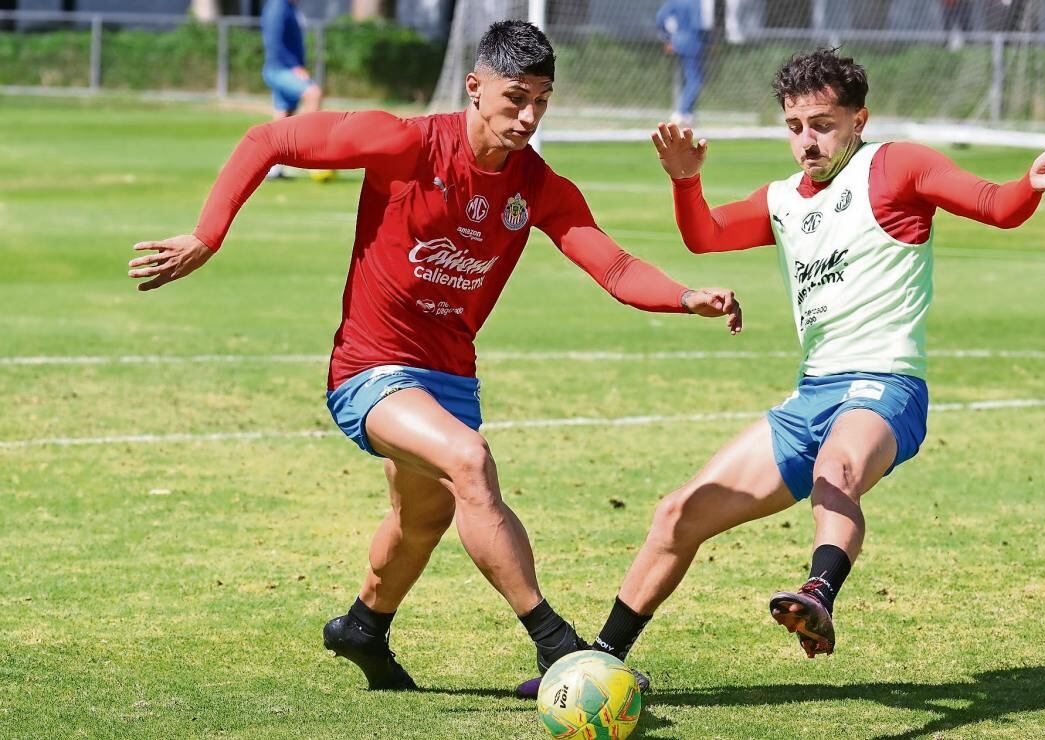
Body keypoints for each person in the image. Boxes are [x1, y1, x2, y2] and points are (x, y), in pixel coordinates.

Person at [127, 20, 741, 694]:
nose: (528, 116)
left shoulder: (539, 186)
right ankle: (558, 648)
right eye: (514, 98)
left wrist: (686, 297)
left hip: (449, 377)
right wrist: (208, 235)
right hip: (370, 369)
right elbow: (268, 139)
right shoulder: (406, 143)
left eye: (541, 100)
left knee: (421, 519)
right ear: (474, 88)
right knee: (469, 462)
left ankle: (363, 626)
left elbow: (616, 269)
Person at [584, 48, 1045, 669]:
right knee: (679, 513)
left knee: (834, 469)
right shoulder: (783, 199)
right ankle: (600, 659)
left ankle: (818, 592)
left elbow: (996, 205)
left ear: (858, 120)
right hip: (813, 393)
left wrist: (1030, 183)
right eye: (795, 126)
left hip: (886, 385)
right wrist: (685, 179)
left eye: (822, 125)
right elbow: (704, 235)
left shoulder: (896, 166)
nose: (807, 141)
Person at [260, 0, 331, 180]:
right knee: (313, 94)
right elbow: (274, 41)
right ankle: (313, 155)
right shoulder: (277, 6)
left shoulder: (289, 7)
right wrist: (294, 66)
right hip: (279, 69)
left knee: (283, 117)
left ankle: (273, 168)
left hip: (285, 68)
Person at [656, 0, 710, 127]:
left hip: (677, 41)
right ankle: (682, 111)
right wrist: (708, 41)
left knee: (687, 77)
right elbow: (698, 24)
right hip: (692, 41)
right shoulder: (695, 2)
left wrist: (667, 38)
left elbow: (660, 18)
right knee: (695, 80)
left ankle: (688, 114)